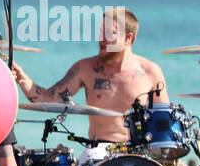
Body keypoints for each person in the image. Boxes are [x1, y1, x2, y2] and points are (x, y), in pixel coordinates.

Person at [11, 8, 169, 147]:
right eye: (101, 32)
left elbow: (164, 122)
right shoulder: (85, 68)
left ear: (128, 38)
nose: (102, 38)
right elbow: (46, 98)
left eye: (110, 33)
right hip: (99, 150)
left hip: (137, 150)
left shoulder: (150, 71)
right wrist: (22, 78)